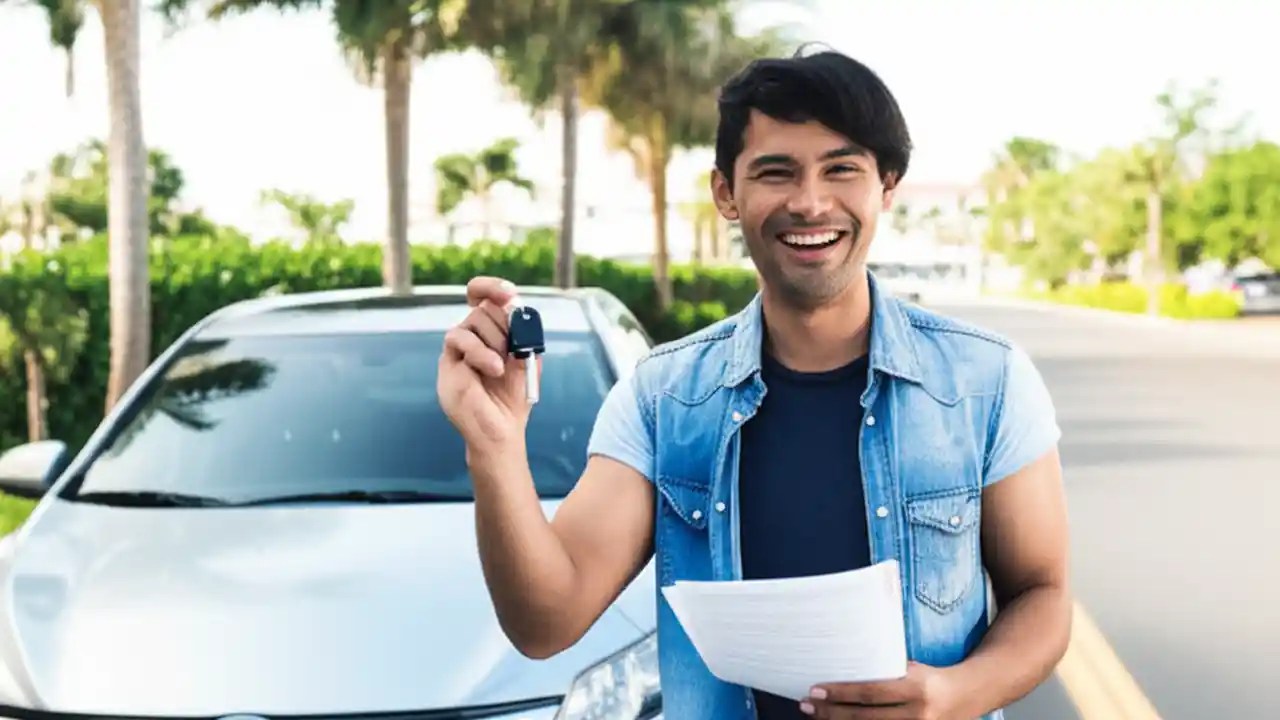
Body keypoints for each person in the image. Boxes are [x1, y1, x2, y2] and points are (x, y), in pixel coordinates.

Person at [438, 48, 1071, 720]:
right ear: (726, 194)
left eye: (841, 170)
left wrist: (955, 695)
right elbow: (545, 622)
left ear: (886, 187)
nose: (810, 203)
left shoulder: (986, 381)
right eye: (777, 172)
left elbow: (1043, 593)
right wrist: (494, 447)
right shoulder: (662, 400)